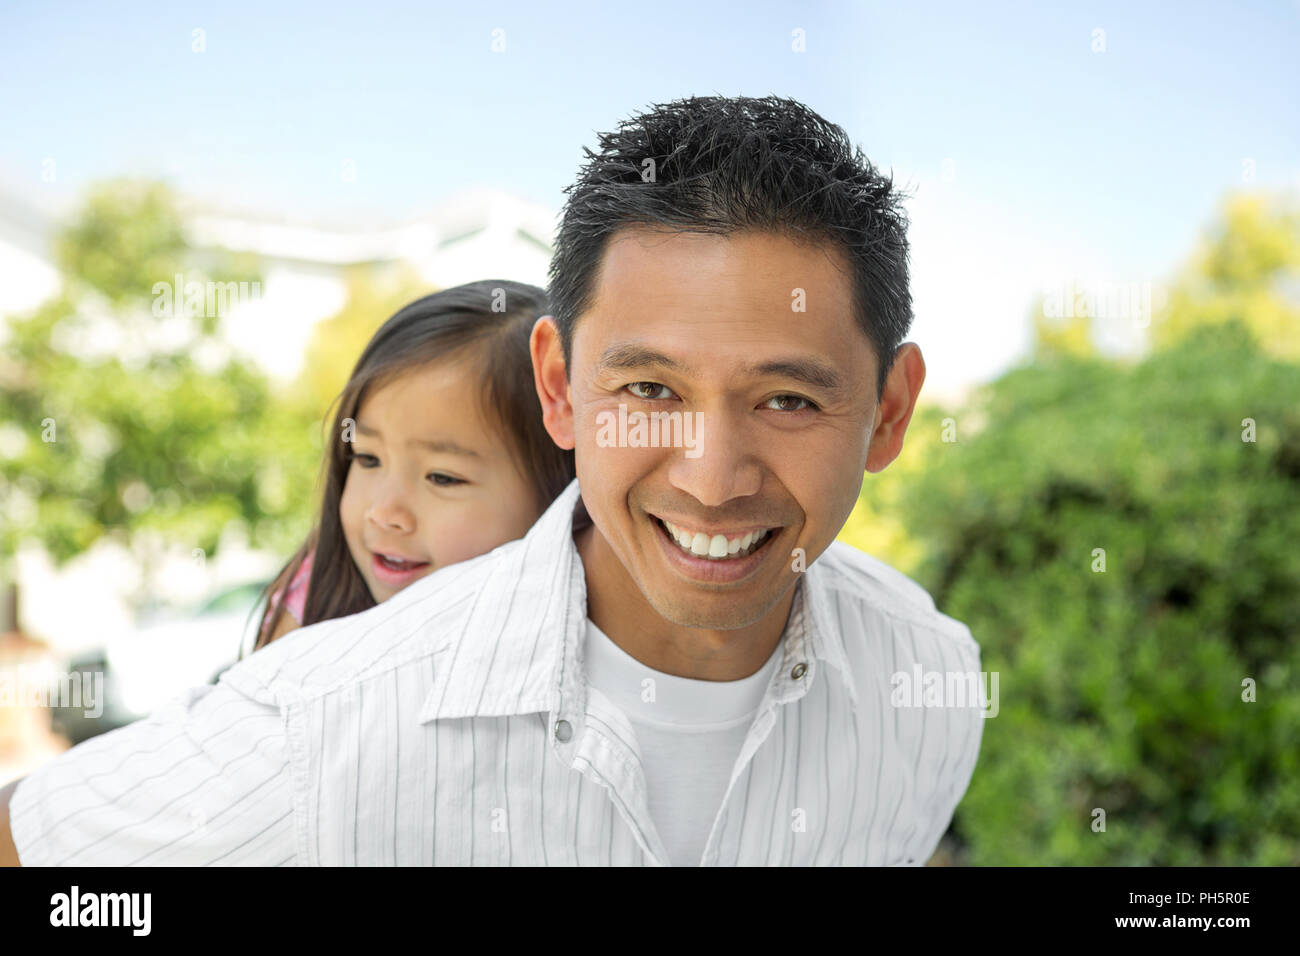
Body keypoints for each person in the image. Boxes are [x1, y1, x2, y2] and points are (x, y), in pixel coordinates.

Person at [1, 94, 985, 867]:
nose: (712, 475)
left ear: (889, 411)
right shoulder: (330, 718)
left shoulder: (926, 685)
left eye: (787, 400)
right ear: (560, 388)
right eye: (649, 386)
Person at [251, 280, 575, 650]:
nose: (384, 513)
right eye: (368, 458)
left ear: (559, 489)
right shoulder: (312, 606)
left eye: (442, 477)